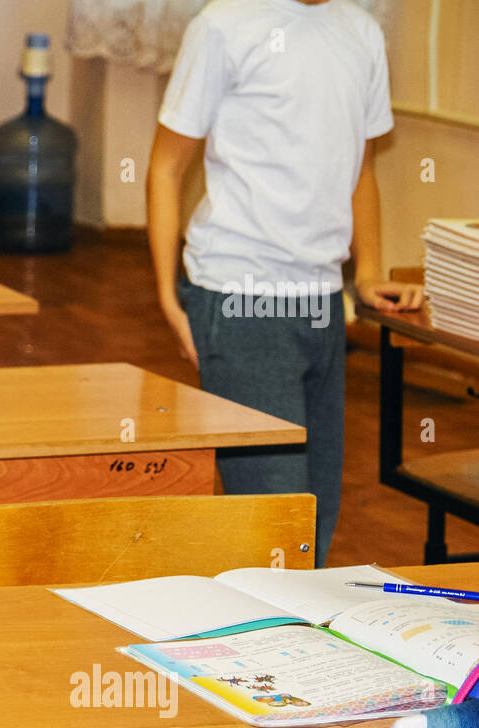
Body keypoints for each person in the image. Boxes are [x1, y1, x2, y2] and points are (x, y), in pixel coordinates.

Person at [147, 0, 424, 568]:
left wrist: (367, 272)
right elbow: (165, 167)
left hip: (322, 302)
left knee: (315, 512)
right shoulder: (223, 26)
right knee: (272, 518)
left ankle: (294, 652)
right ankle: (251, 652)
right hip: (239, 296)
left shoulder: (362, 31)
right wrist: (166, 295)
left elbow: (362, 169)